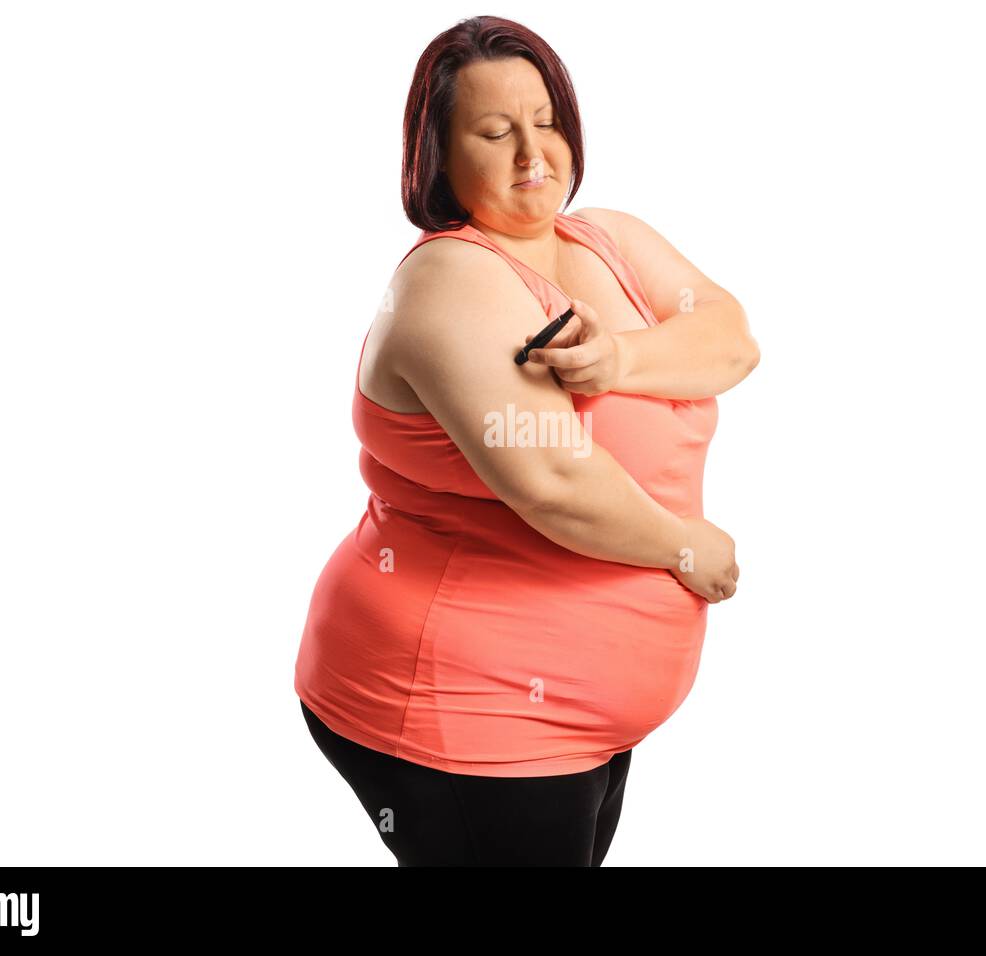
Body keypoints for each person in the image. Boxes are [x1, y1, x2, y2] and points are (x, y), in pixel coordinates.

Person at [294, 15, 759, 866]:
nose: (532, 153)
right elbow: (551, 480)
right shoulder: (450, 278)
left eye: (546, 121)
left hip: (574, 723)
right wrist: (689, 550)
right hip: (467, 709)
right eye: (495, 131)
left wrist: (615, 356)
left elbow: (730, 342)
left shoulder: (608, 237)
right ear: (438, 156)